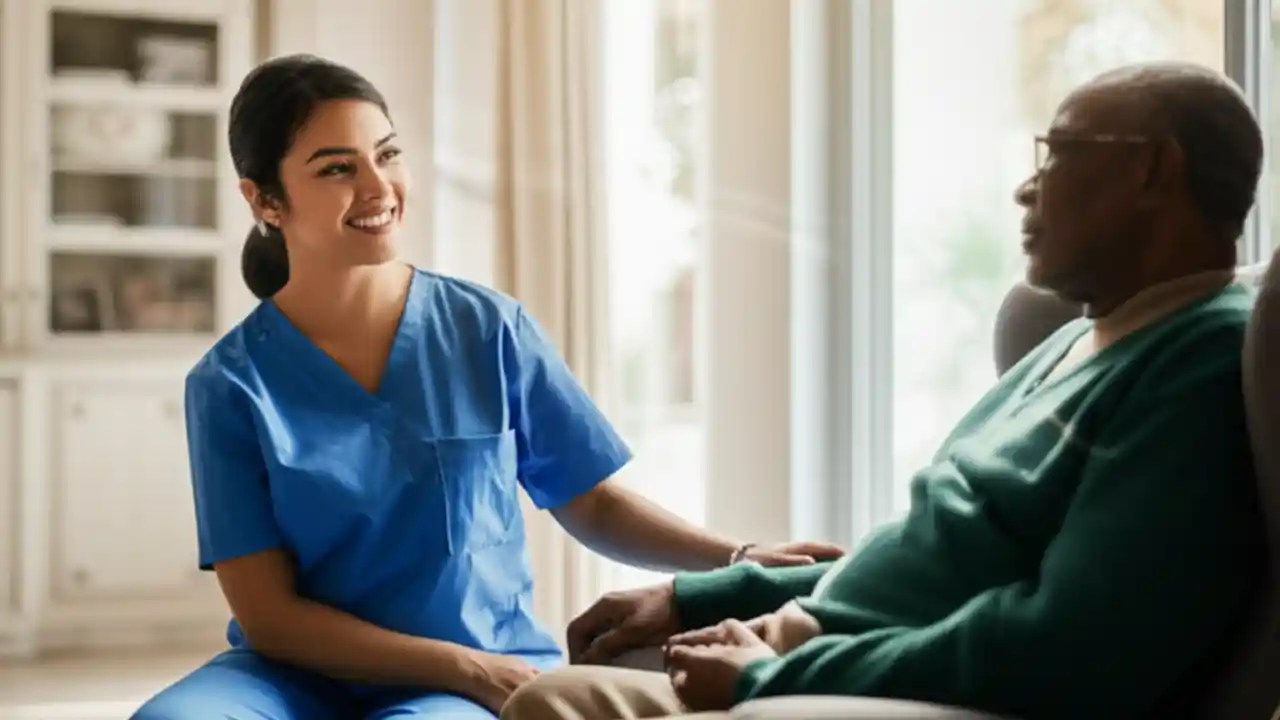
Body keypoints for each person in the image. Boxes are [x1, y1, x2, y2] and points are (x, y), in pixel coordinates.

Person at [501, 62, 1269, 720]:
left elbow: (1073, 643)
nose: (1026, 190)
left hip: (895, 692)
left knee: (549, 704)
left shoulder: (1197, 361)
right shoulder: (1081, 336)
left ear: (1153, 171)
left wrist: (775, 675)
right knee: (585, 671)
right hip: (826, 654)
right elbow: (936, 555)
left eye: (1058, 153)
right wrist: (697, 598)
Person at [131, 54, 844, 720]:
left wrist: (737, 559)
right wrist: (469, 668)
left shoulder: (486, 328)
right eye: (337, 168)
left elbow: (590, 500)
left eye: (387, 154)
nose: (379, 189)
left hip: (455, 680)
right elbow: (271, 617)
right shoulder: (229, 384)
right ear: (265, 200)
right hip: (290, 673)